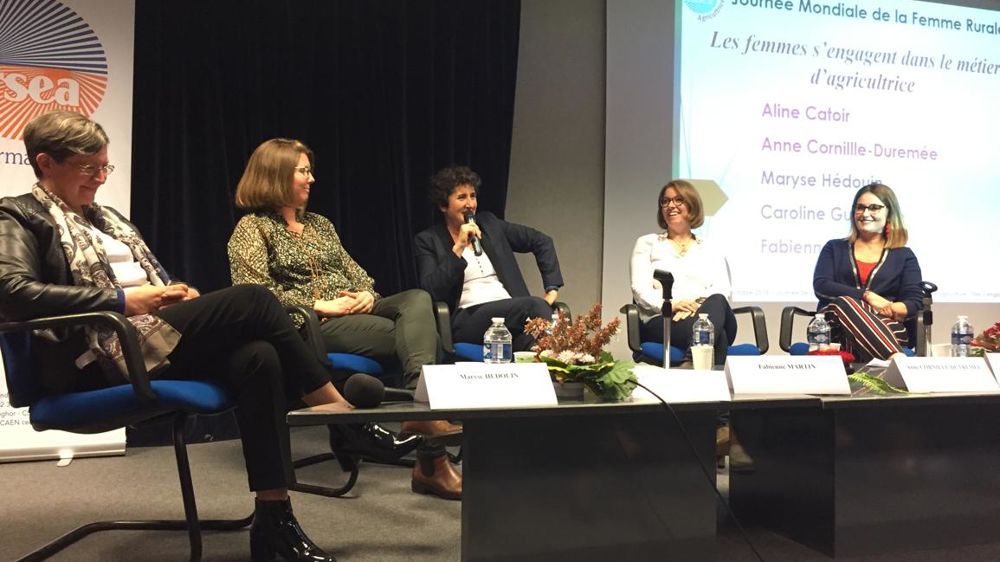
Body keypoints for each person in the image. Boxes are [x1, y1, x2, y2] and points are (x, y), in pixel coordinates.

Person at [0, 111, 362, 561]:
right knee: (254, 299)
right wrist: (122, 301)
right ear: (45, 162)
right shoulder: (19, 214)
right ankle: (341, 417)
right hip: (94, 359)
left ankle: (274, 519)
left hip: (147, 339)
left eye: (104, 166)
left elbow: (151, 280)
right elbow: (11, 292)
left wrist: (174, 291)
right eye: (88, 167)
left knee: (258, 355)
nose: (100, 177)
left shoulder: (107, 219)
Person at [228, 138, 462, 500]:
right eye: (303, 171)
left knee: (418, 299)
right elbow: (253, 293)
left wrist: (367, 294)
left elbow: (358, 274)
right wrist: (319, 305)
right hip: (312, 325)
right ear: (276, 175)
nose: (312, 179)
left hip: (357, 312)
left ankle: (420, 417)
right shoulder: (252, 228)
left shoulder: (320, 224)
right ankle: (430, 455)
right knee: (424, 337)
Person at [414, 165, 563, 351]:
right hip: (468, 319)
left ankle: (559, 363)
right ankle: (562, 359)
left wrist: (552, 288)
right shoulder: (428, 240)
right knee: (535, 306)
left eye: (473, 196)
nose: (470, 204)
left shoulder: (490, 225)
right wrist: (458, 248)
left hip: (511, 314)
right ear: (443, 205)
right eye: (462, 197)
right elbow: (430, 290)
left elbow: (541, 241)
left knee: (531, 343)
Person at [630, 179, 737, 368]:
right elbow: (639, 289)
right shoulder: (647, 243)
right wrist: (672, 305)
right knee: (717, 336)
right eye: (665, 201)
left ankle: (690, 363)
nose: (671, 205)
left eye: (678, 200)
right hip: (664, 321)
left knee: (717, 301)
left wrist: (696, 308)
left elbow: (722, 288)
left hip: (703, 315)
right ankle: (694, 366)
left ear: (692, 205)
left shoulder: (710, 247)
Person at [813, 182, 924, 362]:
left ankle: (890, 358)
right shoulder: (834, 247)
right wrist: (867, 297)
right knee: (844, 303)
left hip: (887, 326)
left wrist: (889, 308)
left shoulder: (904, 255)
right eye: (860, 208)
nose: (865, 214)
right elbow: (821, 286)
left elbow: (914, 302)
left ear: (889, 213)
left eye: (874, 208)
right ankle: (897, 361)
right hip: (836, 328)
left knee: (864, 324)